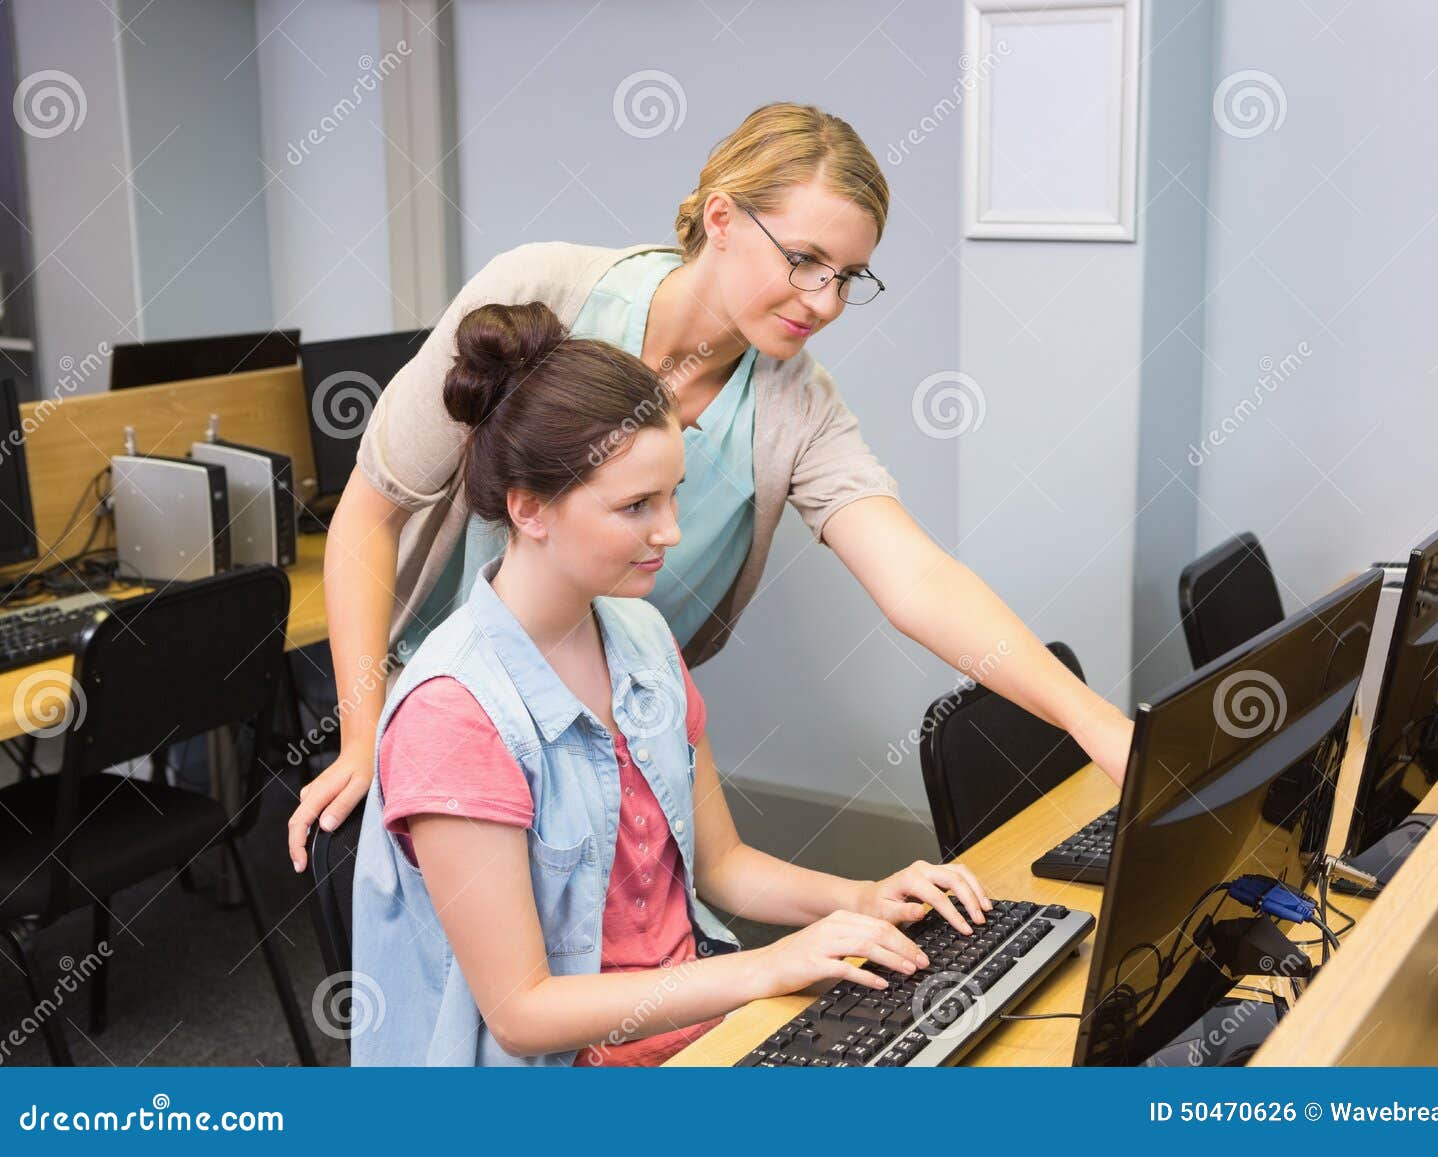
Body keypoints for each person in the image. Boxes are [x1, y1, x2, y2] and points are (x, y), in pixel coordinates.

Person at [290, 101, 1132, 873]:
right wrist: (368, 728)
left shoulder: (796, 403)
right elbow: (370, 512)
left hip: (604, 729)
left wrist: (1094, 720)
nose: (825, 301)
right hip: (436, 700)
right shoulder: (543, 290)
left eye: (848, 275)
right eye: (805, 261)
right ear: (722, 217)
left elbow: (916, 577)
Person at [351, 301, 994, 1065]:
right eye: (635, 507)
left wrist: (860, 897)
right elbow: (521, 1011)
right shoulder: (455, 712)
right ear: (529, 510)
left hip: (685, 1038)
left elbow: (722, 866)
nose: (672, 532)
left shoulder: (643, 637)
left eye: (672, 494)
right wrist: (763, 968)